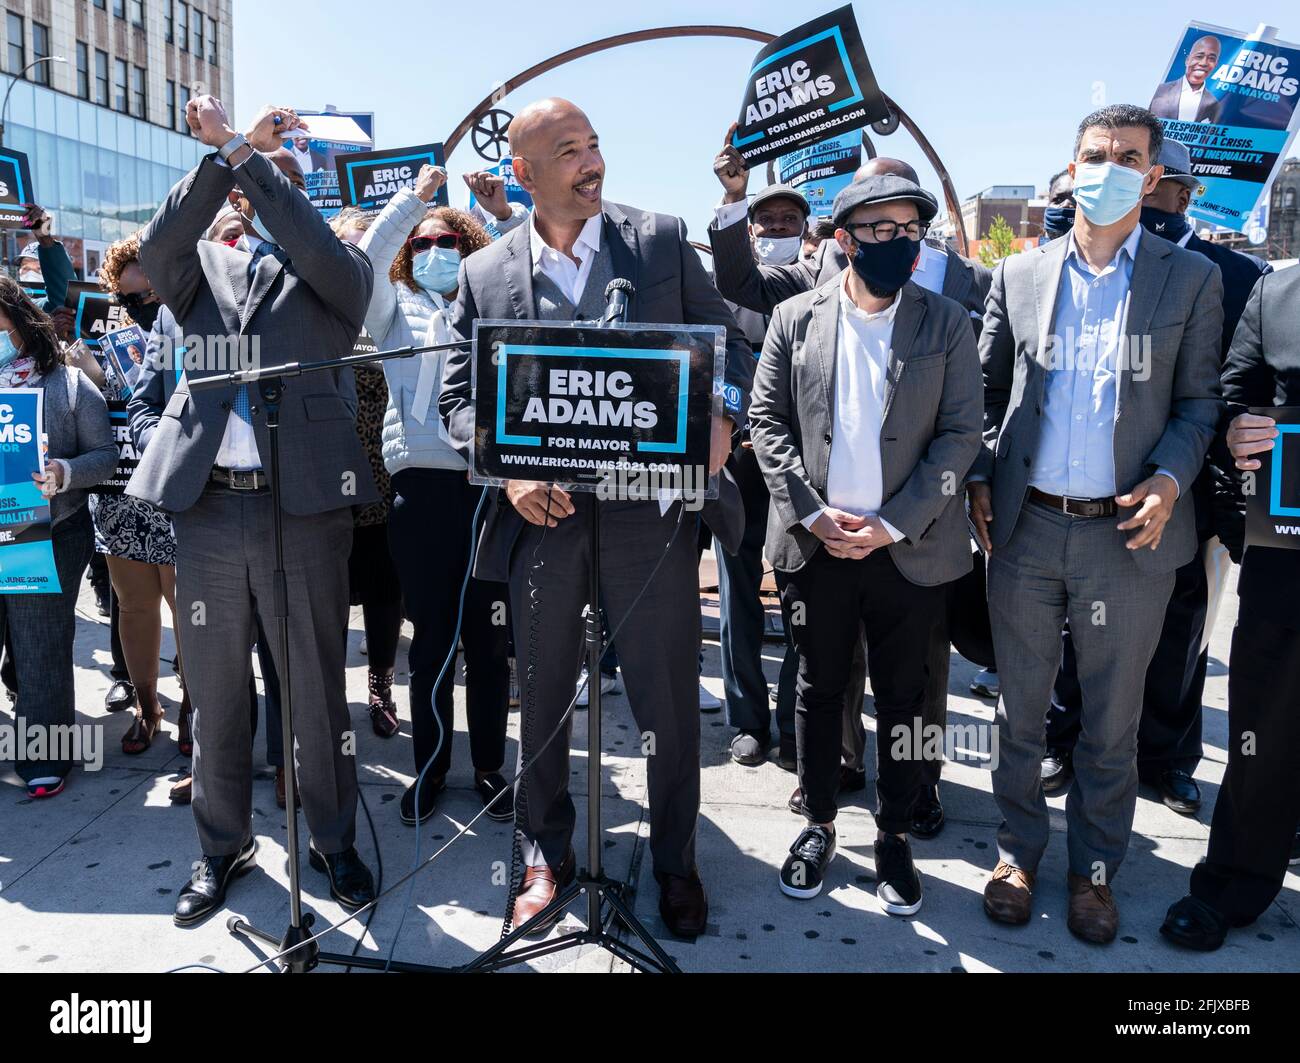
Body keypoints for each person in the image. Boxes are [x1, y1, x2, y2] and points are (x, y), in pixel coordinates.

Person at [440, 97, 751, 939]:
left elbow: (736, 347)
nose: (591, 162)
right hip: (546, 522)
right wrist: (504, 476)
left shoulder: (656, 240)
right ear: (524, 173)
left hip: (650, 523)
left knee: (667, 702)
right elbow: (458, 401)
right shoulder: (483, 273)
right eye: (569, 151)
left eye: (595, 145)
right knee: (539, 698)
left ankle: (677, 861)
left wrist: (724, 418)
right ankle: (546, 853)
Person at [970, 104, 1223, 945]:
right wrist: (977, 477)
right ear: (1071, 164)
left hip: (1129, 537)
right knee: (1020, 711)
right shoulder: (1020, 276)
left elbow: (1197, 404)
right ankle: (1017, 852)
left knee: (1112, 720)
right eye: (1092, 154)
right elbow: (983, 392)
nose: (1107, 167)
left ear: (1153, 178)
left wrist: (1169, 478)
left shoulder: (1189, 281)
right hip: (1029, 530)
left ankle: (1096, 871)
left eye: (1126, 157)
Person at [129, 95, 378, 927]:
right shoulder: (198, 271)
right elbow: (159, 244)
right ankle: (220, 844)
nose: (254, 194)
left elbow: (312, 242)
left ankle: (333, 839)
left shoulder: (337, 269)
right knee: (216, 693)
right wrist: (219, 162)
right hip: (207, 512)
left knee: (313, 689)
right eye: (247, 186)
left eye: (274, 185)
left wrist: (250, 155)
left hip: (302, 511)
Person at [710, 141, 991, 839]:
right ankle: (828, 785)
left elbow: (962, 433)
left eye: (909, 229)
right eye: (880, 227)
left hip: (915, 547)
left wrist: (894, 522)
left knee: (919, 687)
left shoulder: (951, 312)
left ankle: (918, 790)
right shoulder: (797, 310)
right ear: (843, 238)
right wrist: (812, 511)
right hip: (819, 544)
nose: (898, 242)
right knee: (824, 678)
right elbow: (768, 422)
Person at [1042, 139, 1271, 809]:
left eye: (1157, 182)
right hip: (1094, 480)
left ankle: (1165, 756)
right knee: (1077, 623)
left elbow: (1246, 379)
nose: (1143, 191)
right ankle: (1064, 737)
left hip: (1191, 483)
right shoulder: (1092, 259)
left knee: (1181, 626)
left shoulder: (1233, 274)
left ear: (1181, 192)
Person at [354, 169, 514, 824]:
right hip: (420, 490)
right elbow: (362, 261)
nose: (434, 250)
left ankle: (488, 767)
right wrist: (412, 202)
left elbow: (529, 274)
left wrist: (501, 215)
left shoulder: (491, 301)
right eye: (421, 243)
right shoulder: (392, 305)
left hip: (489, 490)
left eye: (448, 238)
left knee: (488, 639)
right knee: (432, 644)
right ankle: (431, 767)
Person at [1160, 265, 1300, 951]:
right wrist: (1238, 433)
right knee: (1264, 730)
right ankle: (1235, 881)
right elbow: (1230, 401)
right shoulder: (1278, 293)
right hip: (1289, 561)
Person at [0, 277, 117, 798]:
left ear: (17, 320)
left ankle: (43, 754)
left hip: (41, 531)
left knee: (39, 644)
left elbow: (105, 454)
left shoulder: (67, 384)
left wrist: (64, 472)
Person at [713, 183, 807, 771]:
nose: (775, 228)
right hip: (739, 456)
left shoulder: (823, 278)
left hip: (799, 461)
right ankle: (749, 720)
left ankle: (798, 717)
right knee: (737, 588)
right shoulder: (721, 286)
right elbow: (713, 359)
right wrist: (730, 413)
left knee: (801, 590)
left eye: (787, 219)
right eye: (764, 220)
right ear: (747, 230)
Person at [93, 235, 194, 759]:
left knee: (187, 607)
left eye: (151, 284)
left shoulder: (188, 322)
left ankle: (193, 706)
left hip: (175, 482)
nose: (143, 294)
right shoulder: (96, 336)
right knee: (133, 607)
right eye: (131, 289)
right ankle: (147, 705)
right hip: (118, 490)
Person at [327, 207, 404, 743]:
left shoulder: (395, 311)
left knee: (384, 595)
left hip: (386, 485)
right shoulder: (320, 313)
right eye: (354, 249)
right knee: (327, 601)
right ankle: (327, 697)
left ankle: (380, 686)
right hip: (328, 489)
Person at [1149, 35, 1224, 124]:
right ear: (1187, 60)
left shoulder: (1214, 105)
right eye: (1199, 56)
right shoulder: (1160, 91)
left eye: (1211, 58)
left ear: (1215, 64)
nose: (1204, 63)